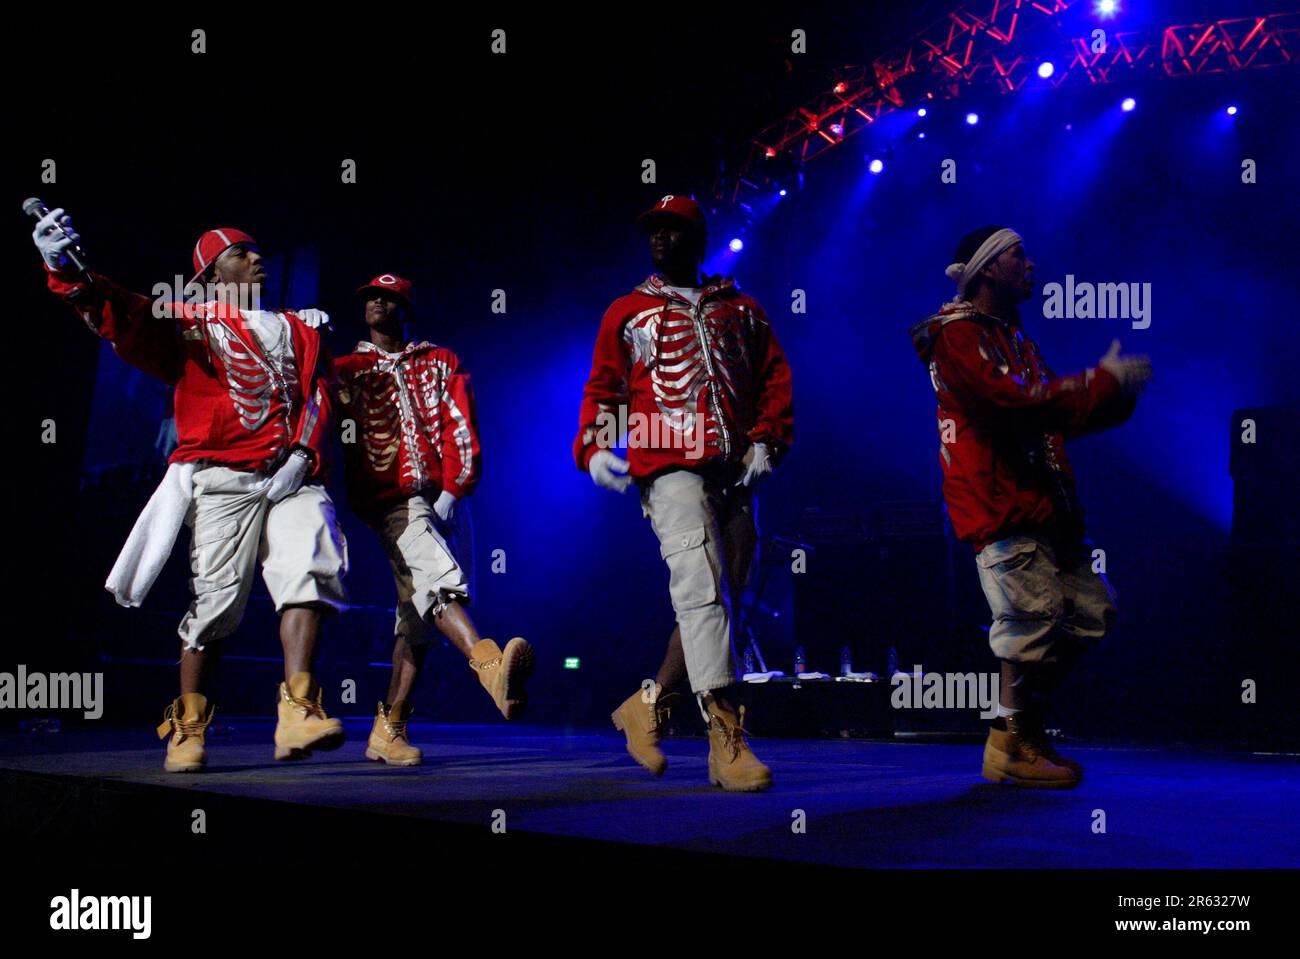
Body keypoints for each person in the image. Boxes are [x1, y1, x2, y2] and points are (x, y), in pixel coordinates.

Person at [35, 209, 349, 772]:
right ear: (209, 274)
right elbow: (121, 315)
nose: (257, 258)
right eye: (241, 252)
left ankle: (298, 709)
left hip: (291, 473)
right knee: (215, 602)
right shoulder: (188, 322)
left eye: (258, 250)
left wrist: (303, 455)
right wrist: (66, 268)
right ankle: (189, 723)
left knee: (313, 566)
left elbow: (319, 394)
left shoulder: (298, 327)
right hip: (222, 474)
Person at [909, 225, 1152, 788]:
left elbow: (1057, 412)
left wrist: (1114, 391)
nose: (1031, 264)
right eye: (1019, 255)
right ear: (989, 268)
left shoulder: (1014, 338)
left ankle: (1019, 731)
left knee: (1093, 614)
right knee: (1032, 620)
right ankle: (1011, 741)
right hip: (1001, 505)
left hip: (1048, 505)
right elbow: (1015, 404)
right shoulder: (958, 337)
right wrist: (1098, 381)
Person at [575, 194, 793, 791]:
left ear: (698, 238)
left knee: (723, 598)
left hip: (734, 468)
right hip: (666, 462)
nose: (661, 240)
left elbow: (774, 375)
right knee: (701, 589)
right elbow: (606, 385)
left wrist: (768, 440)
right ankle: (726, 737)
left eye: (674, 230)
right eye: (654, 231)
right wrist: (596, 445)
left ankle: (647, 707)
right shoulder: (628, 310)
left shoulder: (742, 308)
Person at [335, 273, 532, 766]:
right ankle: (488, 666)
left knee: (419, 617)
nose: (379, 303)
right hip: (394, 502)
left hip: (444, 498)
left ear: (406, 308)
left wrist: (453, 487)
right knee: (440, 586)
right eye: (372, 298)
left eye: (390, 298)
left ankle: (389, 729)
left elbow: (459, 420)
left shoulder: (439, 361)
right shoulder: (348, 368)